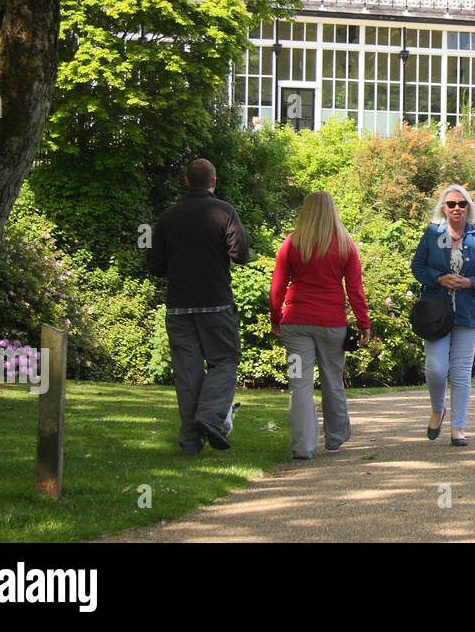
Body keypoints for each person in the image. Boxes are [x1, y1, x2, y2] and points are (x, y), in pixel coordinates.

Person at [147, 159, 250, 455]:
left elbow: (154, 265)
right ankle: (210, 416)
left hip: (179, 305)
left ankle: (191, 442)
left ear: (187, 182)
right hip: (216, 301)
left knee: (187, 372)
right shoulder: (224, 211)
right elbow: (240, 253)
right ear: (213, 182)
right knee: (225, 360)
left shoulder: (167, 216)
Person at [269, 191, 371, 460]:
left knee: (299, 384)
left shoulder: (292, 242)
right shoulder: (345, 245)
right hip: (332, 325)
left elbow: (277, 287)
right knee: (332, 380)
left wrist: (275, 317)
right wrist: (364, 323)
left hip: (295, 324)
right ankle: (335, 437)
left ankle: (303, 446)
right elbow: (355, 289)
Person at [411, 185, 475, 447]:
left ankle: (458, 428)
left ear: (469, 207)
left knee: (460, 372)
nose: (457, 208)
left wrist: (469, 283)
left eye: (462, 204)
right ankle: (438, 409)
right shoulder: (431, 234)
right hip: (435, 312)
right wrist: (439, 278)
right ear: (443, 208)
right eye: (451, 204)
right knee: (436, 369)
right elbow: (418, 267)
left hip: (469, 312)